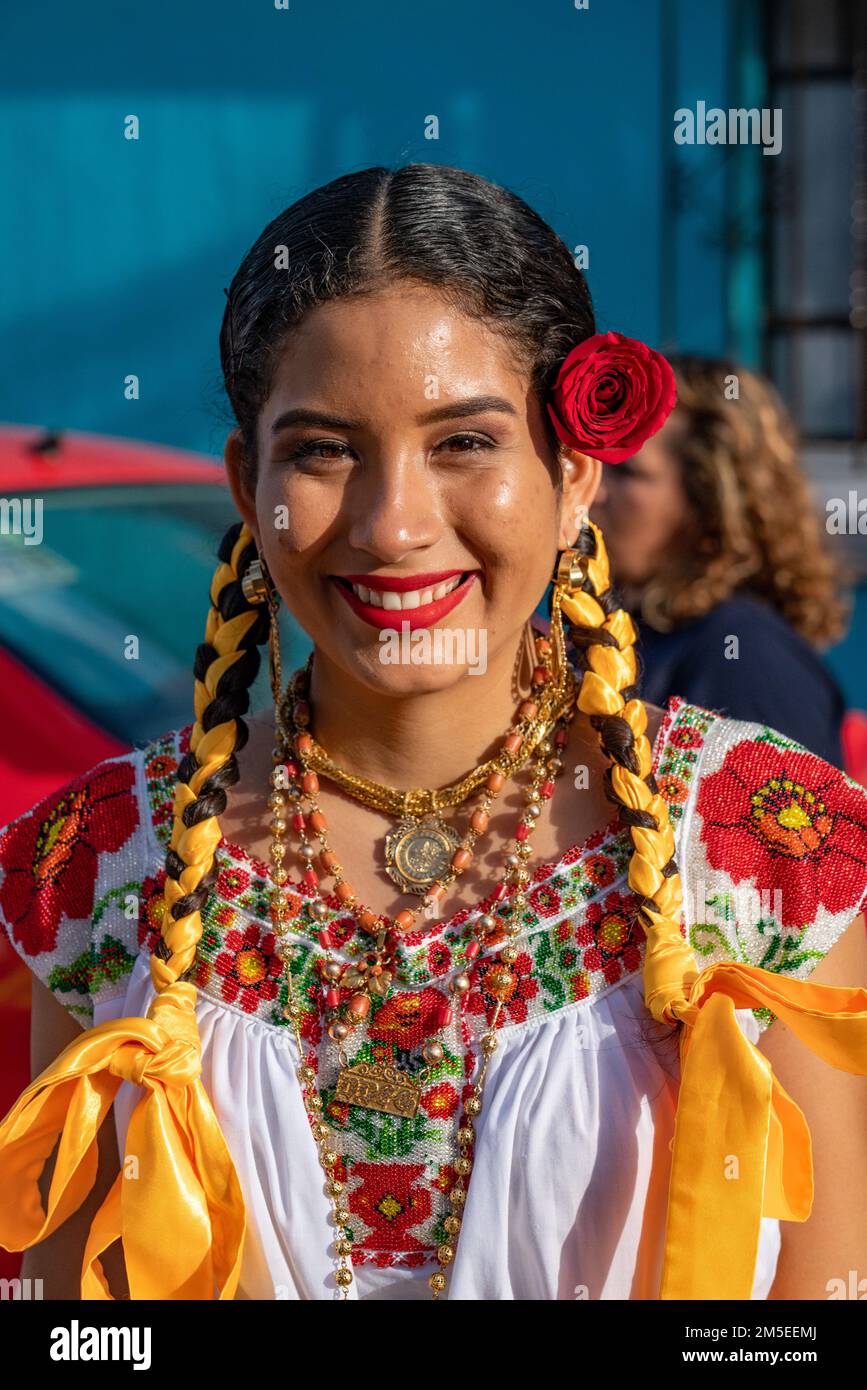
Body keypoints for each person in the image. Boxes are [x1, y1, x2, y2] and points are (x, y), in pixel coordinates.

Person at [0, 164, 866, 1303]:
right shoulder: (107, 862)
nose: (394, 522)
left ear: (572, 476)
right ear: (245, 484)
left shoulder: (758, 836)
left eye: (463, 443)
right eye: (321, 449)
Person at [590, 355, 849, 766]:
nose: (592, 488)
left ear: (710, 504)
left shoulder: (746, 656)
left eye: (625, 471)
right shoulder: (633, 627)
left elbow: (786, 825)